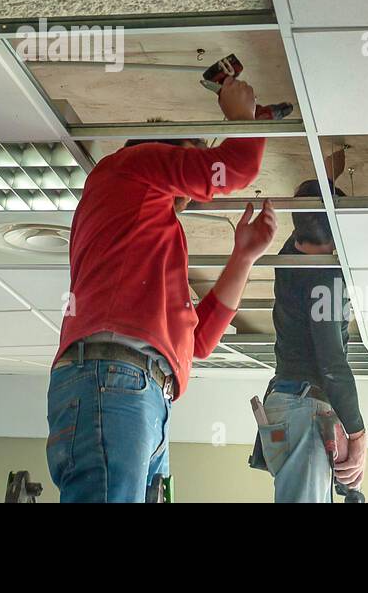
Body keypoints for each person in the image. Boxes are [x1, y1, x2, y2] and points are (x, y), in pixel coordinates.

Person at [46, 78, 278, 502]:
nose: (196, 189)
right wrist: (244, 120)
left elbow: (197, 340)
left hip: (121, 384)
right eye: (190, 168)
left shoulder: (140, 211)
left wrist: (248, 119)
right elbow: (235, 168)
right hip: (122, 385)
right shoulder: (127, 169)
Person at [254, 176, 367, 502]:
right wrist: (358, 433)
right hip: (300, 407)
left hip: (294, 405)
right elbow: (332, 363)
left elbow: (312, 218)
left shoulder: (291, 252)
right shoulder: (326, 282)